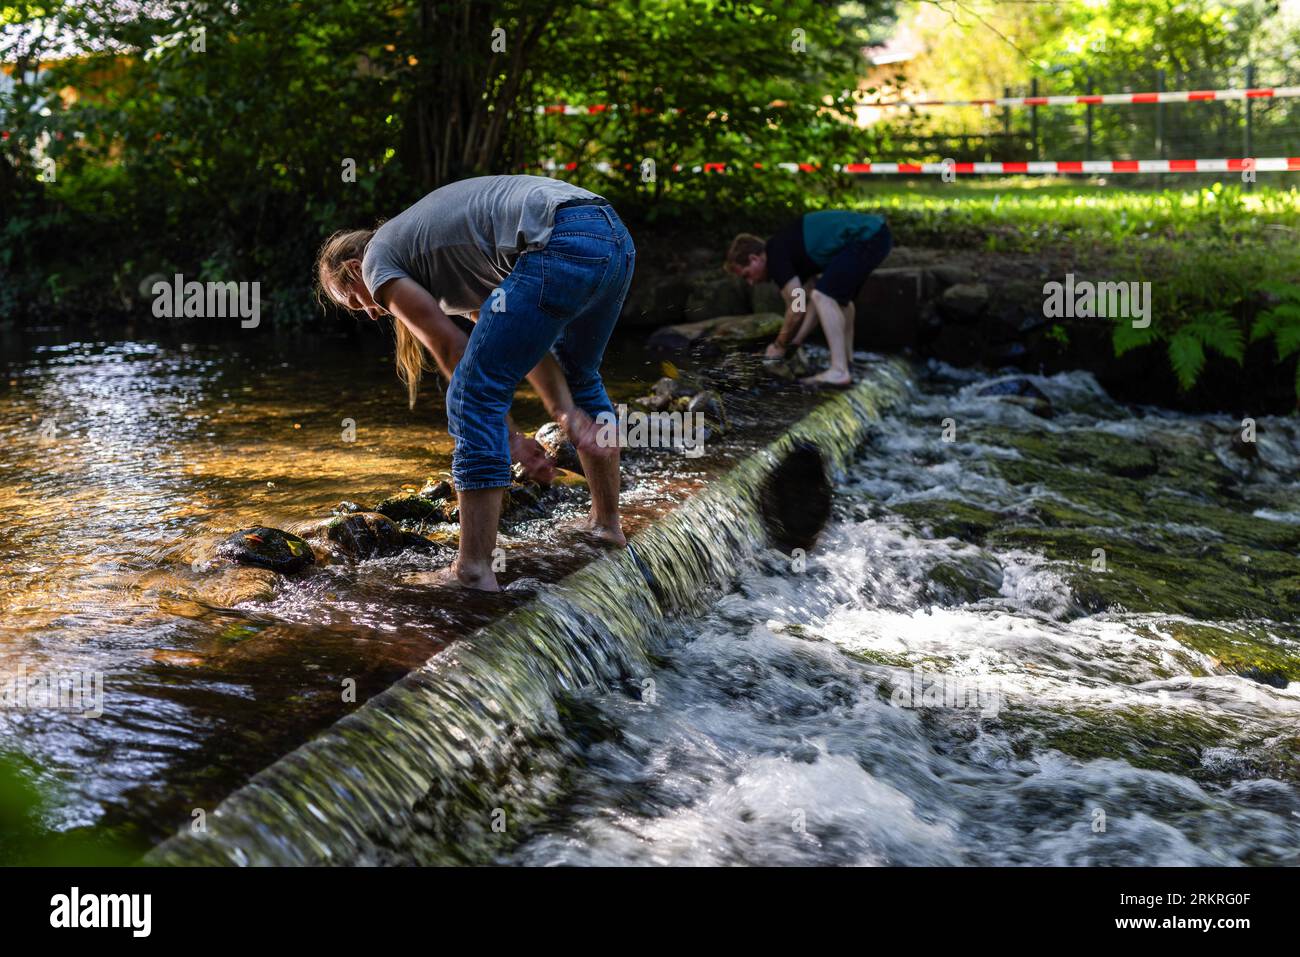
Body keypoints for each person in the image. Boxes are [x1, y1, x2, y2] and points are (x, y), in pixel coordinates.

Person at [316, 175, 636, 591]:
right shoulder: (459, 258)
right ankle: (606, 525)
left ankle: (471, 569)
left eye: (355, 301)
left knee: (468, 395)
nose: (371, 313)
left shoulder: (379, 258)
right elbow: (526, 341)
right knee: (581, 378)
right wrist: (565, 413)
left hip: (560, 237)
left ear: (355, 269)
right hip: (610, 235)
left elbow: (453, 352)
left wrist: (511, 439)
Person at [725, 210, 892, 388]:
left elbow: (797, 308)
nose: (750, 283)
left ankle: (839, 371)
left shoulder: (775, 258)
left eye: (746, 275)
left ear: (755, 259)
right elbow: (812, 302)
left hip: (867, 237)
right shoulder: (789, 251)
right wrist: (796, 342)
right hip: (876, 235)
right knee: (839, 301)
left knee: (825, 296)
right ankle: (848, 365)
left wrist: (779, 346)